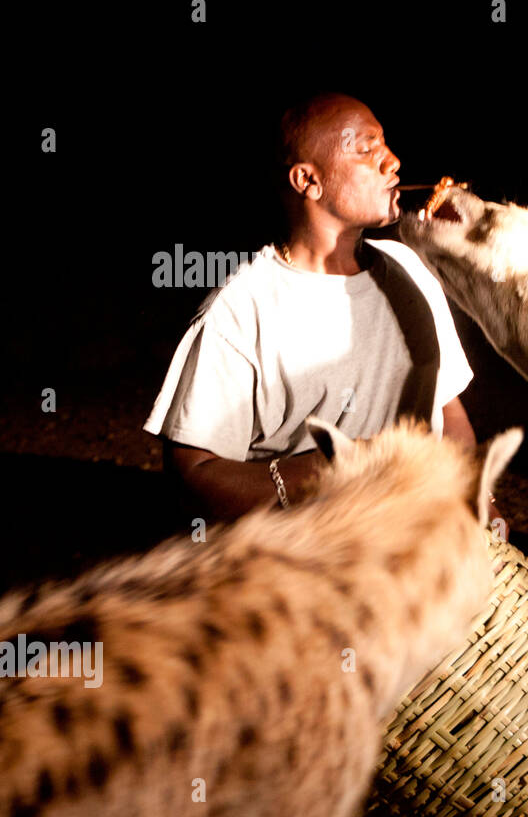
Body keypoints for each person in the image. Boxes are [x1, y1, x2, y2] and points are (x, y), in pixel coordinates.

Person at [143, 93, 503, 529]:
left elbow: (447, 410)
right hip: (307, 553)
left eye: (385, 145)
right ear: (307, 180)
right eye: (366, 149)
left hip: (415, 542)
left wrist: (476, 493)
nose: (392, 162)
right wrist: (330, 469)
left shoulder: (410, 271)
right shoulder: (241, 308)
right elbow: (192, 475)